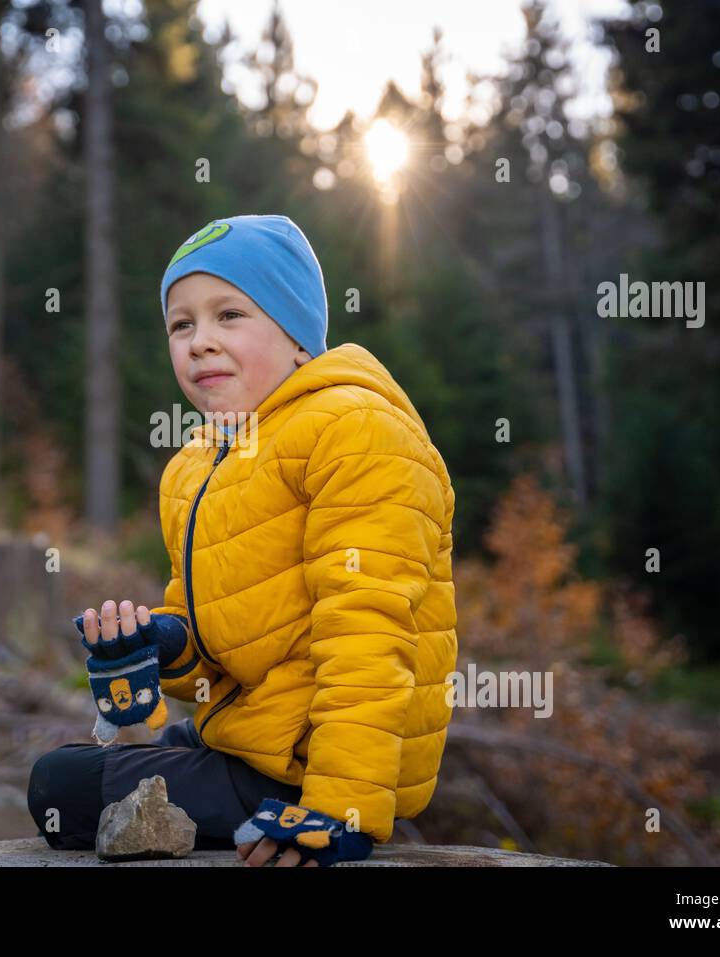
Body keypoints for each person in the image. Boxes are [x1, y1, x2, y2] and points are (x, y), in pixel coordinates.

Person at [27, 213, 458, 866]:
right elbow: (214, 639)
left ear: (298, 338)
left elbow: (369, 631)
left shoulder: (358, 432)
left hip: (316, 765)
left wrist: (338, 810)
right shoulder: (195, 466)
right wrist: (156, 645)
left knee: (61, 787)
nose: (200, 341)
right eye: (182, 323)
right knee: (64, 768)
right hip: (245, 738)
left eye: (229, 315)